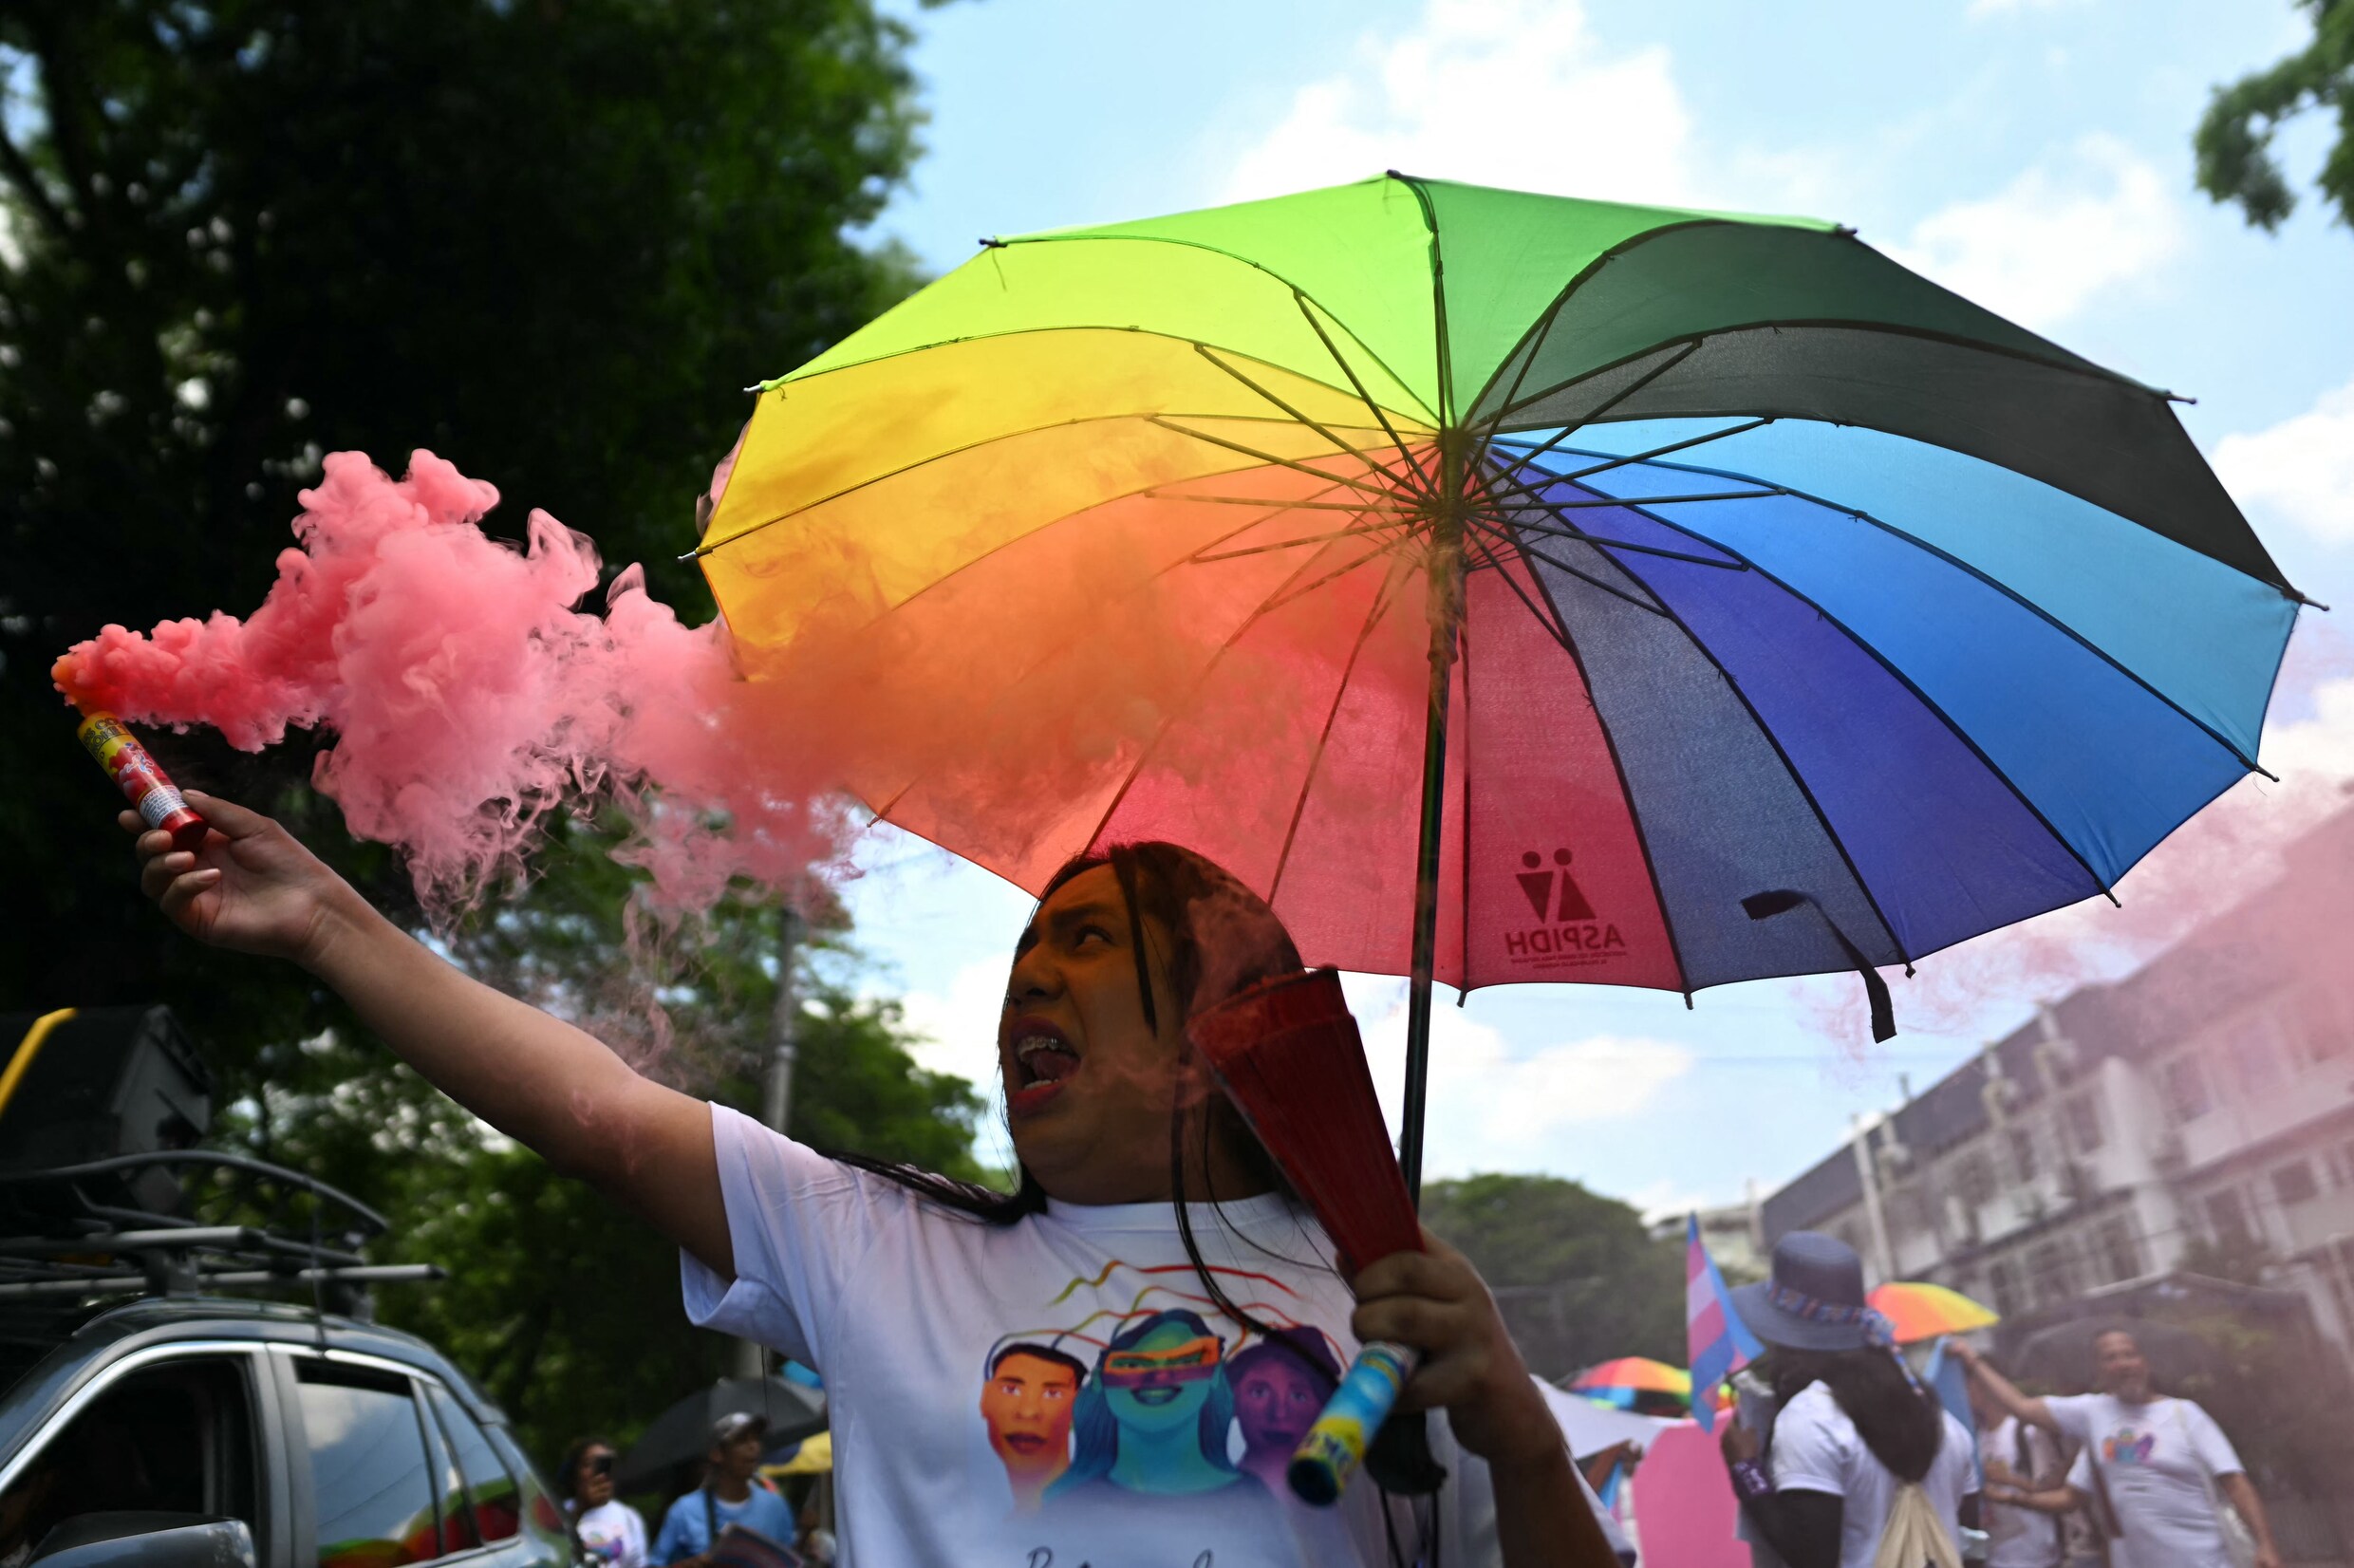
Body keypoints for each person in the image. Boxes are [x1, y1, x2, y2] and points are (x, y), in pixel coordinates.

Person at [124, 799, 1616, 1567]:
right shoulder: (877, 1243)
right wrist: (328, 925)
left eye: (1090, 942)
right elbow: (604, 1119)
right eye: (1027, 948)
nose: (1031, 976)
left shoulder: (1398, 1310)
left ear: (1207, 1040)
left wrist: (1523, 1439)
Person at [1717, 1233, 1977, 1568]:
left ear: (1788, 1338)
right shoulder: (1944, 1422)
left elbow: (1811, 1559)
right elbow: (1974, 1545)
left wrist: (1746, 1470)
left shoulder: (1811, 1419)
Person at [1953, 1330, 2281, 1568]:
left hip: (2205, 1560)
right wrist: (1972, 1360)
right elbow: (2023, 1408)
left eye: (2129, 1354)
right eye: (2110, 1358)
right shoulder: (2093, 1416)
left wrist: (2265, 1545)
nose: (2123, 1363)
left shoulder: (2185, 1414)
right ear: (2099, 1370)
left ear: (2144, 1363)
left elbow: (2235, 1482)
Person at [649, 1414, 796, 1565]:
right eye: (742, 1440)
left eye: (756, 1439)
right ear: (717, 1454)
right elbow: (655, 1563)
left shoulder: (776, 1508)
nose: (754, 1447)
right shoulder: (685, 1510)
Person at [1968, 1359, 2067, 1568]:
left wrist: (2009, 1480)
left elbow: (2055, 1489)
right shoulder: (1976, 1437)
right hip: (1996, 1554)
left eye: (1970, 1383)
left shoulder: (2026, 1432)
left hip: (2037, 1555)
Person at [561, 1436, 648, 1568]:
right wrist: (581, 1510)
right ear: (574, 1472)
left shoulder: (629, 1518)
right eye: (589, 1464)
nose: (600, 1474)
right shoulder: (557, 1512)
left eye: (606, 1465)